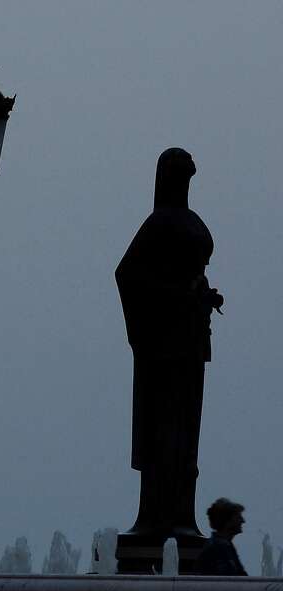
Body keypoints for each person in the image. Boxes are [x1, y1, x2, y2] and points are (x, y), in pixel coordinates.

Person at [116, 148, 222, 556]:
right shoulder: (159, 222)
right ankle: (158, 516)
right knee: (166, 432)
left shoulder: (185, 220)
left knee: (185, 433)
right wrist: (181, 296)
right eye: (182, 178)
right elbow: (128, 275)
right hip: (164, 348)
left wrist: (202, 294)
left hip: (189, 342)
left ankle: (181, 514)